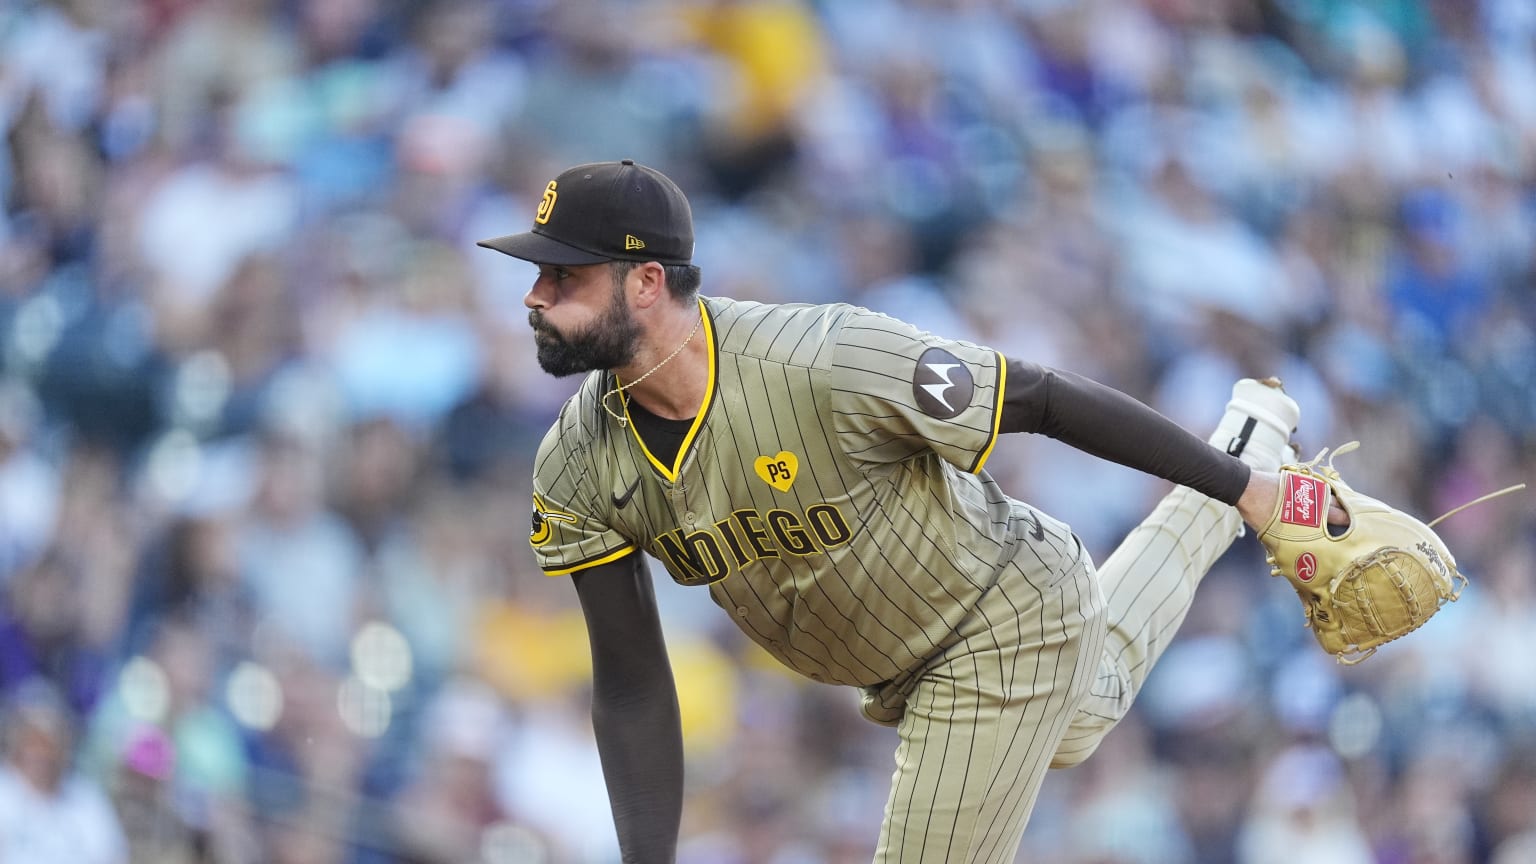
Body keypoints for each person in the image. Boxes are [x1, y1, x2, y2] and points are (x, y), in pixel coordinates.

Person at [476, 160, 1338, 862]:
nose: (535, 295)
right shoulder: (578, 461)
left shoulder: (820, 358)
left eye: (565, 274)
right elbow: (630, 684)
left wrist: (1254, 502)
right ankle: (1251, 445)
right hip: (904, 663)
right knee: (1087, 701)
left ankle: (1246, 476)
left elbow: (1035, 396)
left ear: (645, 283)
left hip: (999, 619)